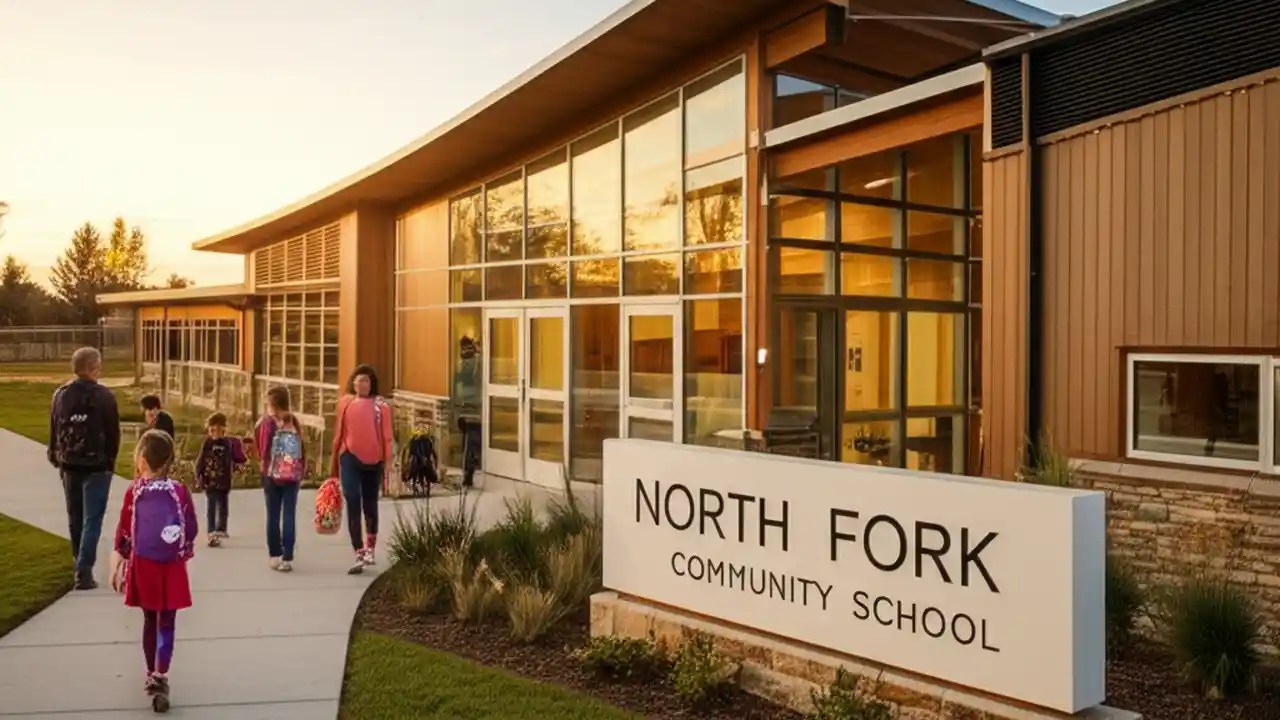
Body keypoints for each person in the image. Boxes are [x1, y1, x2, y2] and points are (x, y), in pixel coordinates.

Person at [111, 430, 197, 713]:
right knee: (167, 620)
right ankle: (162, 672)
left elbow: (125, 531)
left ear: (142, 459)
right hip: (171, 567)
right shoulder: (180, 491)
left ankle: (151, 674)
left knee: (150, 618)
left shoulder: (134, 491)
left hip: (145, 566)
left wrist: (119, 560)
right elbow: (192, 528)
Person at [48, 346, 121, 590]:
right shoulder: (104, 396)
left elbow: (54, 428)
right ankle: (84, 570)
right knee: (93, 519)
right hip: (97, 465)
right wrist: (110, 461)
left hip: (69, 464)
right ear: (92, 368)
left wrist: (55, 454)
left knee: (75, 517)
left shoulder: (60, 394)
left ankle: (77, 562)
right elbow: (113, 433)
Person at [331, 364, 393, 575]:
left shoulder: (381, 406)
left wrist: (387, 464)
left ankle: (370, 547)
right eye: (358, 380)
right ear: (353, 383)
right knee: (353, 499)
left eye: (366, 380)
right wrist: (332, 468)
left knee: (370, 504)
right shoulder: (345, 404)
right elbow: (338, 434)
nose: (362, 384)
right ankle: (358, 550)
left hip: (374, 462)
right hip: (349, 456)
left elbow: (387, 437)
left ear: (371, 383)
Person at [256, 387, 303, 572]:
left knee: (273, 515)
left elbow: (263, 446)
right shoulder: (294, 421)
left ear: (272, 403)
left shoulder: (268, 422)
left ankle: (275, 554)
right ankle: (287, 557)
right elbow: (302, 447)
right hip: (291, 475)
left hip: (272, 473)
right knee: (289, 514)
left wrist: (262, 462)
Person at [194, 413, 246, 547]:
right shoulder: (207, 442)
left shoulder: (228, 443)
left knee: (223, 505)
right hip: (209, 480)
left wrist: (239, 466)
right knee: (211, 506)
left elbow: (235, 459)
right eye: (212, 430)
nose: (215, 433)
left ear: (224, 430)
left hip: (224, 480)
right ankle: (211, 531)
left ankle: (221, 528)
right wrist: (198, 475)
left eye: (218, 430)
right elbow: (200, 460)